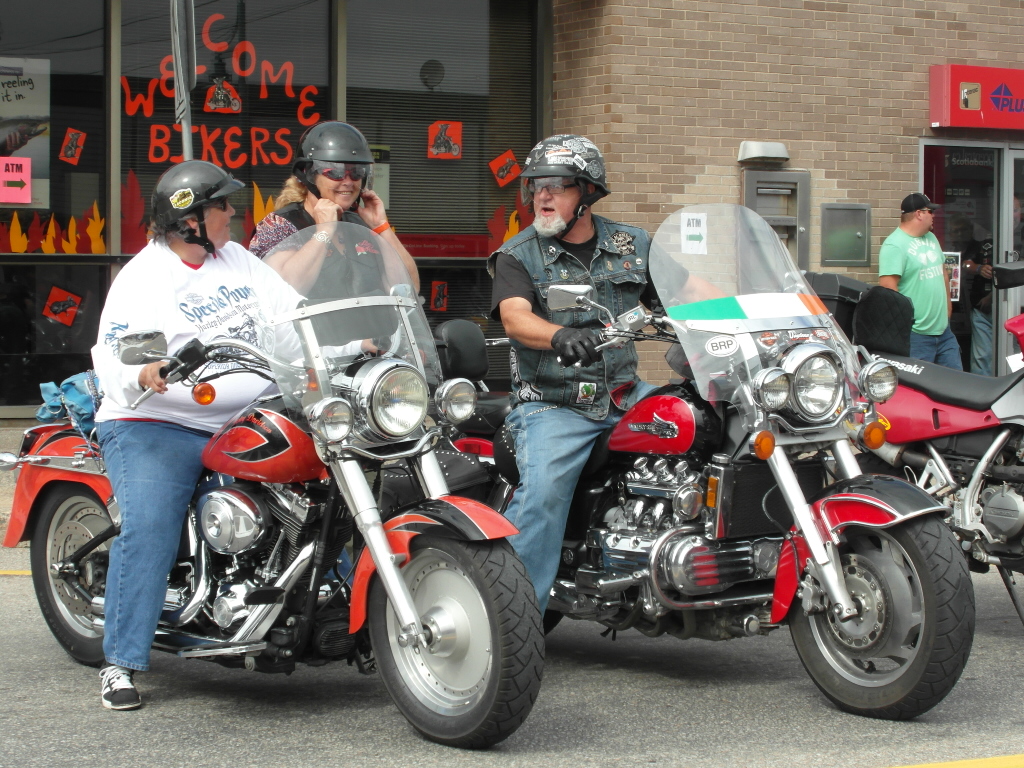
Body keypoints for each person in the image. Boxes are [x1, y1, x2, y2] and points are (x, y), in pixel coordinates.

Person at [91, 160, 303, 710]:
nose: (234, 213)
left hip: (245, 416)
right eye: (222, 205)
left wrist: (343, 339)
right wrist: (141, 371)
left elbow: (292, 315)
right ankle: (121, 661)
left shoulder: (237, 259)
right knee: (152, 527)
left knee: (316, 490)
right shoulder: (143, 277)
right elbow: (115, 352)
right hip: (156, 421)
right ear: (189, 218)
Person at [488, 134, 720, 611]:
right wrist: (557, 336)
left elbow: (693, 292)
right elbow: (514, 315)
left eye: (557, 186)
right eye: (535, 186)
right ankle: (513, 619)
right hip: (553, 405)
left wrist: (752, 316)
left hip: (626, 394)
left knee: (711, 424)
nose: (543, 197)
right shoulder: (519, 254)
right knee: (545, 494)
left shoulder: (631, 244)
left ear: (587, 193)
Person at [248, 121, 419, 295]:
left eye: (357, 172)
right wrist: (324, 231)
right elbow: (282, 292)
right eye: (335, 171)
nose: (347, 181)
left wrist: (382, 227)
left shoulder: (361, 226)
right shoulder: (280, 225)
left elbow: (409, 289)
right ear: (308, 174)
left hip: (369, 321)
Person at [878, 192, 962, 369]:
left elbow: (943, 272)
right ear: (919, 213)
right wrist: (905, 325)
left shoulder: (931, 237)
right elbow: (888, 289)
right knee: (920, 392)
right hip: (917, 335)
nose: (933, 216)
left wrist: (948, 308)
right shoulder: (894, 245)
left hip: (944, 332)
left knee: (956, 385)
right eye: (930, 212)